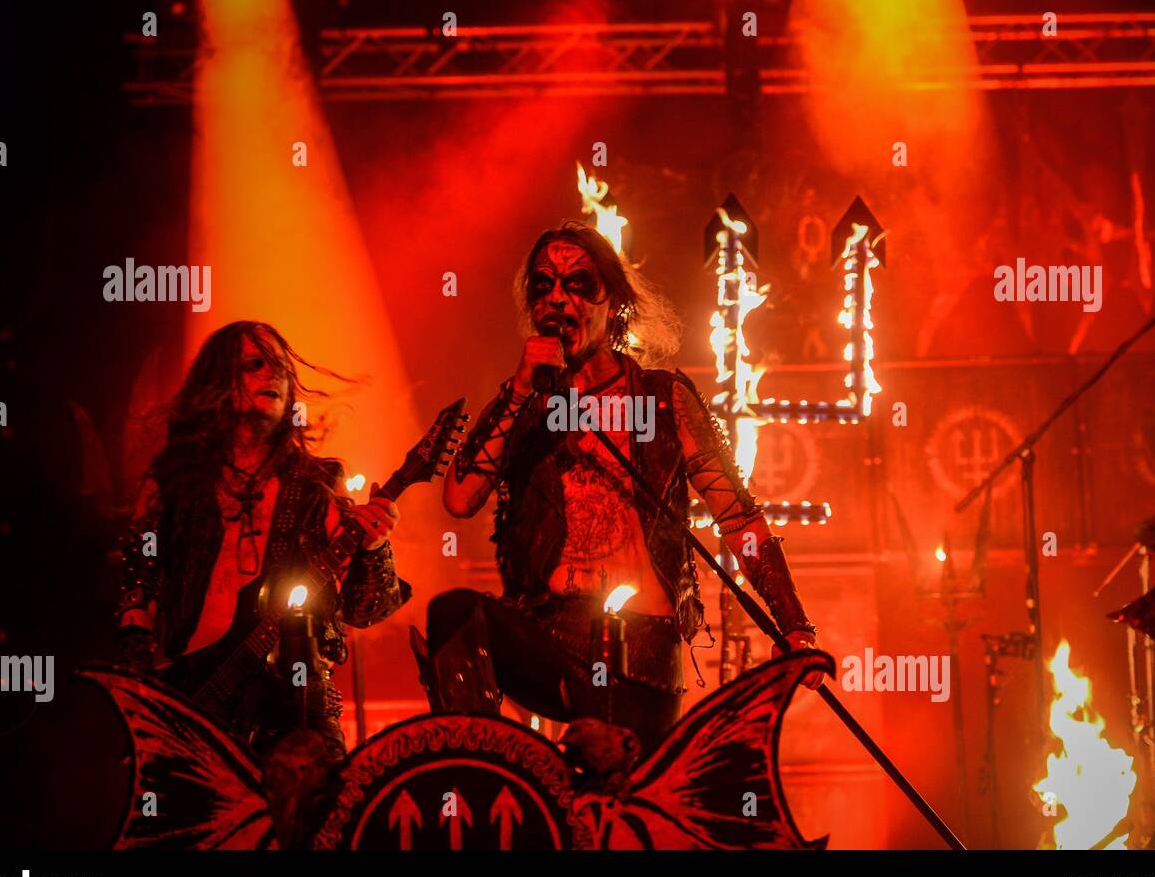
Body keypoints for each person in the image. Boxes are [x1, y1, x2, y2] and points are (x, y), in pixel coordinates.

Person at [415, 221, 819, 756]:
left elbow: (739, 519)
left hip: (642, 656)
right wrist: (518, 392)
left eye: (578, 284)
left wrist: (792, 626)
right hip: (552, 639)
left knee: (619, 815)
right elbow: (460, 498)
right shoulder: (525, 407)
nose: (557, 298)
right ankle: (479, 767)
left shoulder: (662, 399)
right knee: (455, 613)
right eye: (543, 286)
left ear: (614, 301)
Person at [114, 321, 409, 761]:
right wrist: (141, 689)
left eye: (279, 368)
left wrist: (374, 546)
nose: (272, 375)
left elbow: (368, 610)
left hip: (295, 704)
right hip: (191, 695)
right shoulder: (172, 484)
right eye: (254, 364)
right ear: (217, 383)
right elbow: (136, 588)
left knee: (314, 815)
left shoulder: (317, 488)